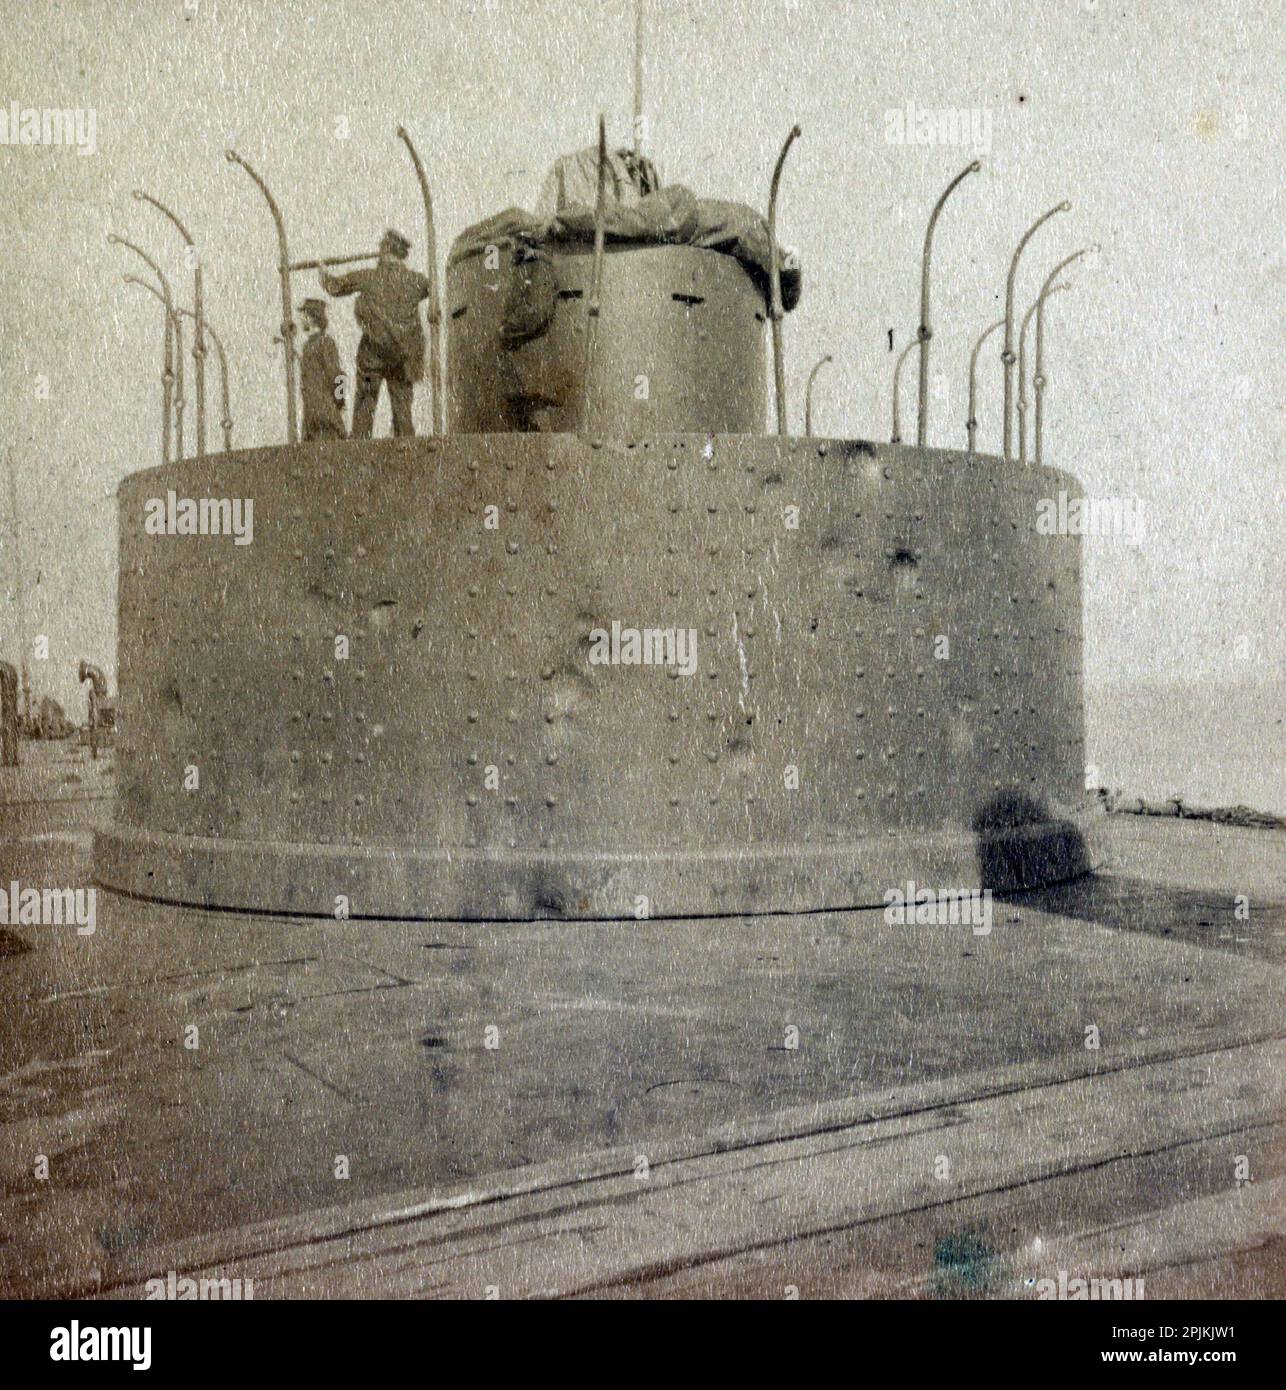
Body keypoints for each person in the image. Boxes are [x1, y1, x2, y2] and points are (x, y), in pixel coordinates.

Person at [321, 230, 430, 437]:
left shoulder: (368, 277)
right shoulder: (416, 281)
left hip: (373, 357)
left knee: (364, 408)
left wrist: (322, 272)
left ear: (384, 251)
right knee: (403, 413)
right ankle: (407, 455)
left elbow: (334, 287)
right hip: (403, 358)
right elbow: (429, 289)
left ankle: (359, 452)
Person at [297, 298, 347, 441]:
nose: (301, 319)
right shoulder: (308, 346)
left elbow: (338, 377)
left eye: (304, 315)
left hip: (323, 416)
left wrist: (340, 404)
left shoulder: (325, 343)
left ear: (310, 317)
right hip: (314, 417)